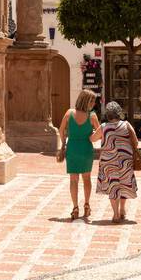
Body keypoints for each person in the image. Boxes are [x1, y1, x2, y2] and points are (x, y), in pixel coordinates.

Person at [57, 90, 102, 220]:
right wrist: (91, 136)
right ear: (86, 101)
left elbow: (61, 130)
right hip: (86, 149)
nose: (93, 104)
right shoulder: (92, 116)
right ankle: (87, 205)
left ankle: (75, 208)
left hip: (72, 149)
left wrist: (64, 143)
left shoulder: (69, 113)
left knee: (73, 180)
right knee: (86, 179)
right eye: (92, 101)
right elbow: (100, 133)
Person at [95, 101, 139, 223]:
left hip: (108, 161)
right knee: (124, 185)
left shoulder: (103, 127)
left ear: (107, 114)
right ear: (119, 112)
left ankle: (115, 214)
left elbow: (92, 139)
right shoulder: (126, 125)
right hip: (125, 160)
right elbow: (136, 142)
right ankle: (122, 210)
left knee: (113, 186)